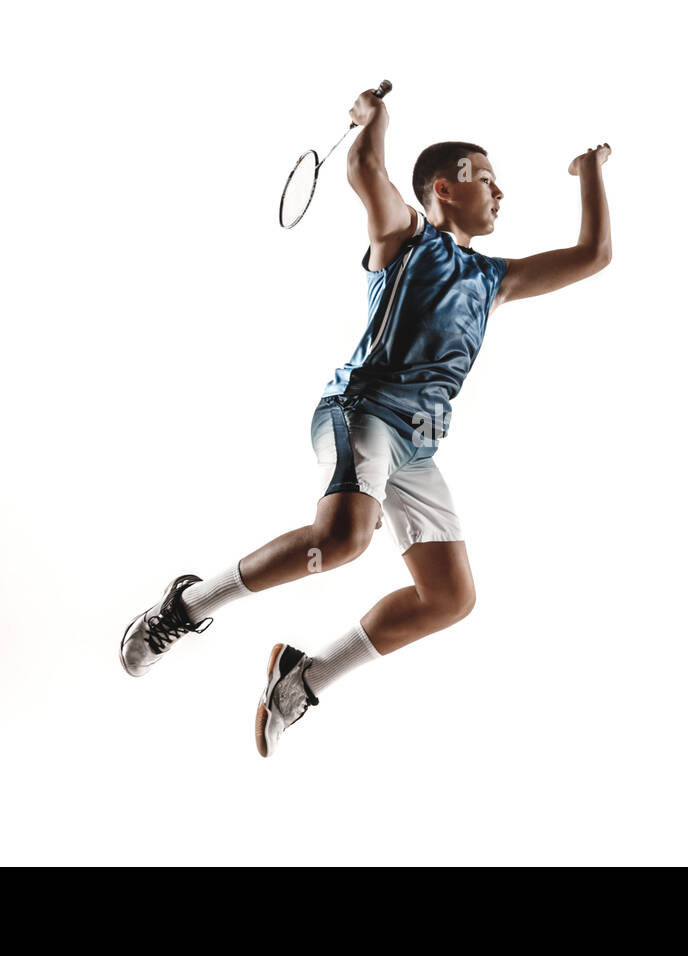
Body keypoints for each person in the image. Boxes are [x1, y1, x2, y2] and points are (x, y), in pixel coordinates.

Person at [120, 86, 613, 757]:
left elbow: (593, 256)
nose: (501, 193)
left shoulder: (496, 279)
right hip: (363, 413)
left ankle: (303, 678)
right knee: (345, 540)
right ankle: (182, 609)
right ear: (445, 187)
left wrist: (590, 177)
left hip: (417, 447)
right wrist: (374, 121)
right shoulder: (405, 239)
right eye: (488, 179)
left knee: (449, 598)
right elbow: (364, 172)